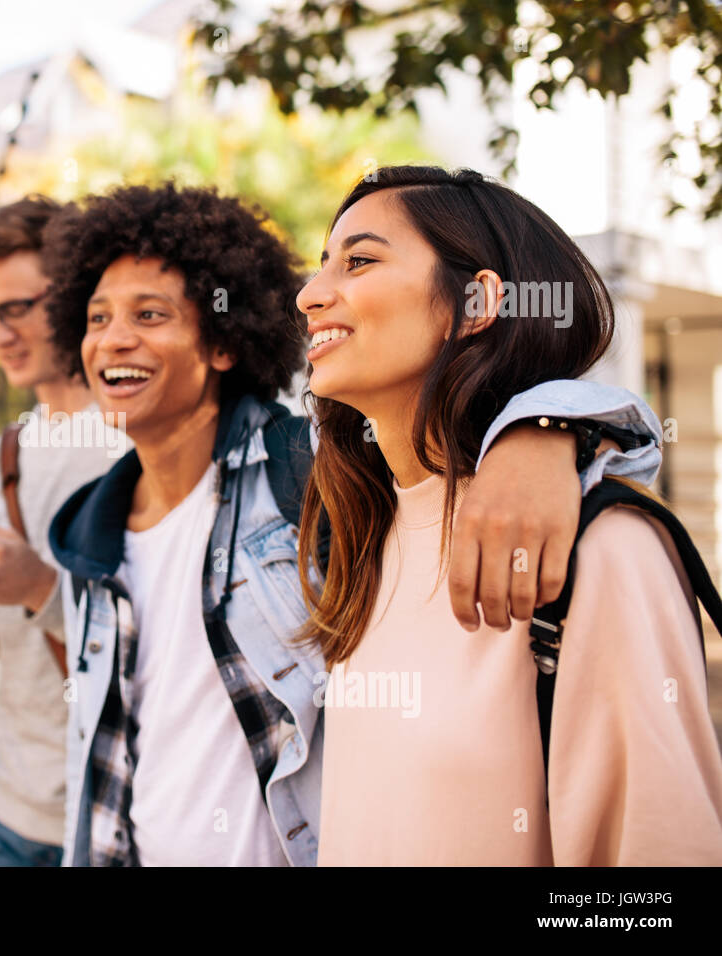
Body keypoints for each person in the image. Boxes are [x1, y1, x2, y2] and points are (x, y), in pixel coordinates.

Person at [40, 182, 662, 866]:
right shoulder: (86, 539)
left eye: (150, 314)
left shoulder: (308, 481)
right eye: (96, 319)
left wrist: (545, 427)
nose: (114, 339)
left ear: (224, 344)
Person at [295, 166, 722, 865]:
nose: (311, 296)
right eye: (320, 267)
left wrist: (557, 426)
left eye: (360, 261)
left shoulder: (600, 546)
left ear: (476, 301)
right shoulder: (360, 536)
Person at [0, 197, 126, 866]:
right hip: (9, 805)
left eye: (18, 308)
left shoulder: (140, 442)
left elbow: (174, 641)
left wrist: (40, 585)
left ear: (73, 293)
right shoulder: (0, 456)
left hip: (111, 808)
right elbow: (13, 642)